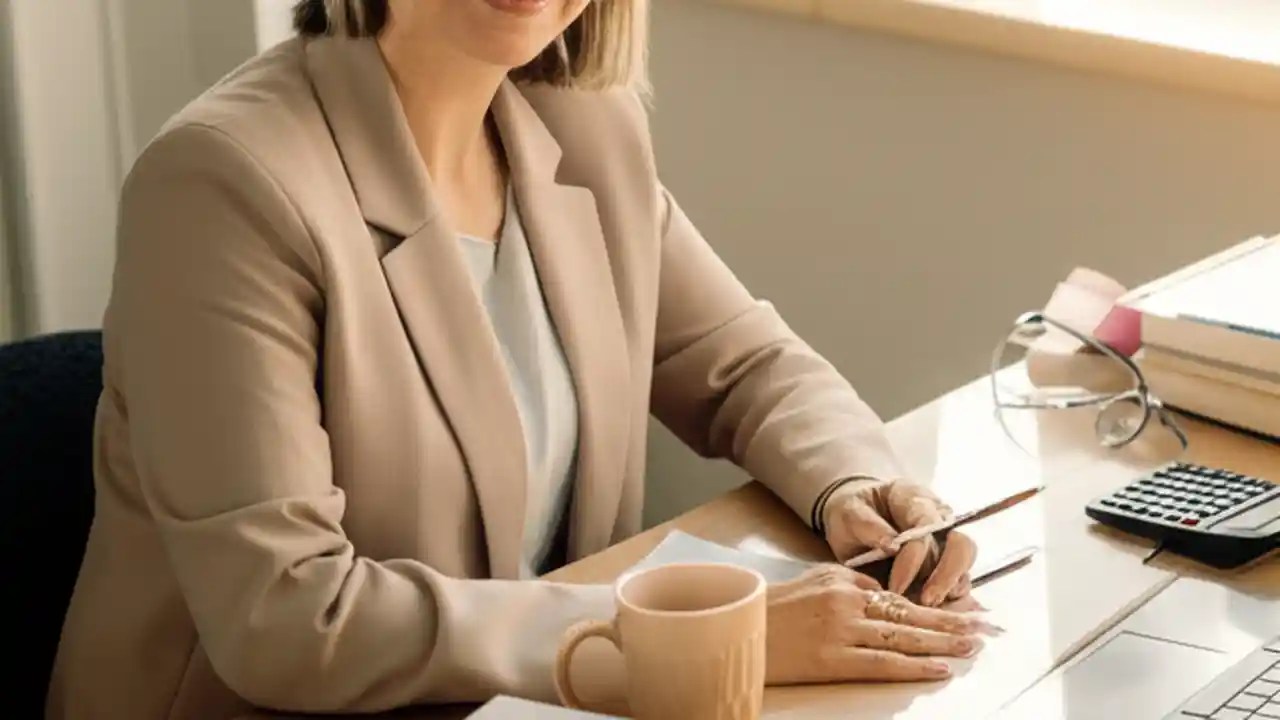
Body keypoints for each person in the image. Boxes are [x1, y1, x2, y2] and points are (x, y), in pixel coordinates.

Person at [47, 1, 986, 717]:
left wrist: (855, 483)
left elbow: (742, 363)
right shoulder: (222, 185)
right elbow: (287, 618)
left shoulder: (583, 122)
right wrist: (684, 638)